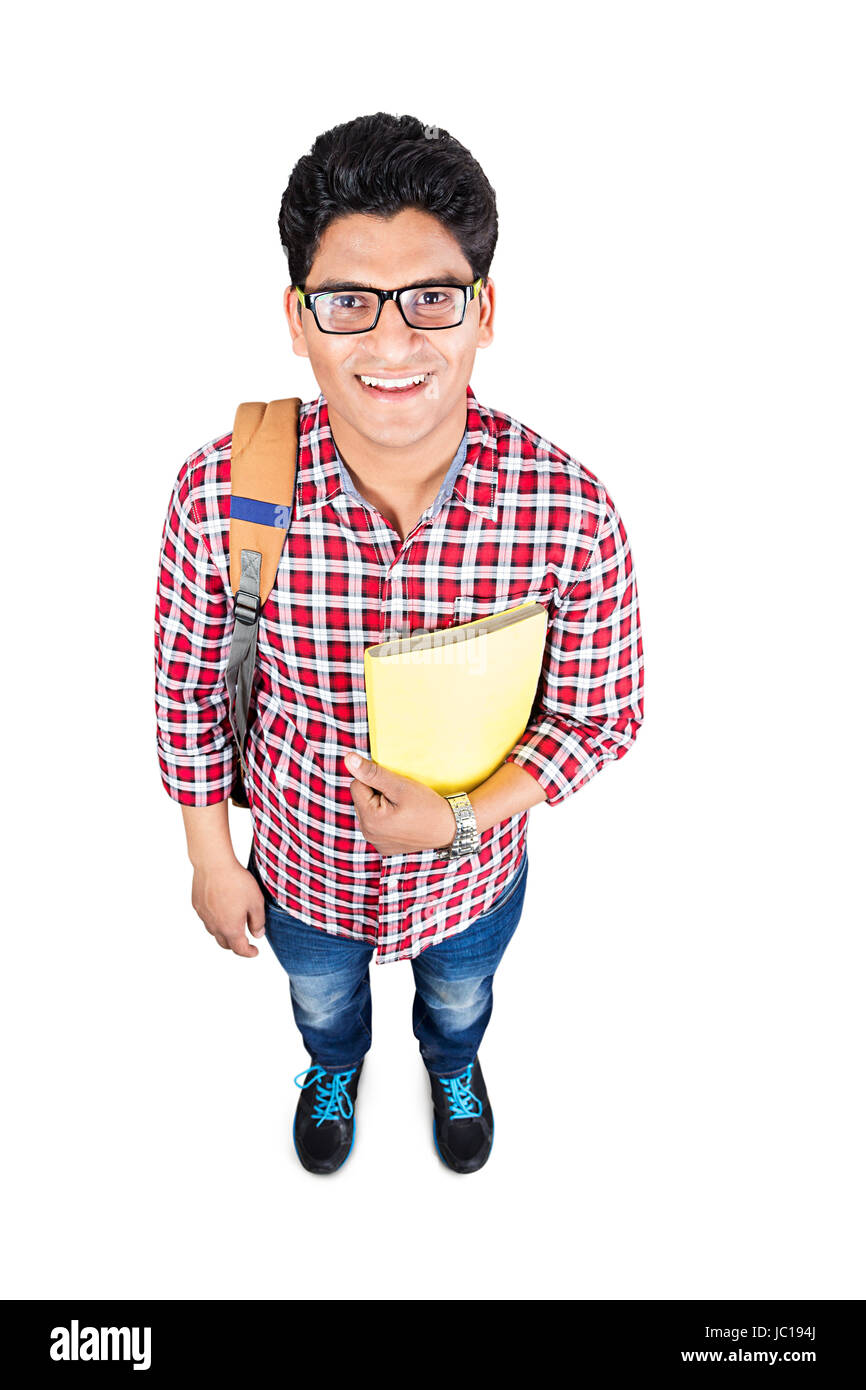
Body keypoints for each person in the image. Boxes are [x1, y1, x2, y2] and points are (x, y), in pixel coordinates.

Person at [153, 111, 645, 1176]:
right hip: (300, 867)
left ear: (483, 310)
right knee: (321, 1004)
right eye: (348, 302)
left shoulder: (568, 512)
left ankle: (452, 1063)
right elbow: (186, 693)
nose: (389, 343)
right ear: (298, 318)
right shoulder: (222, 491)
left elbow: (601, 716)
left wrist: (459, 819)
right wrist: (209, 857)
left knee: (461, 996)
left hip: (471, 876)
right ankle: (334, 1067)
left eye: (430, 297)